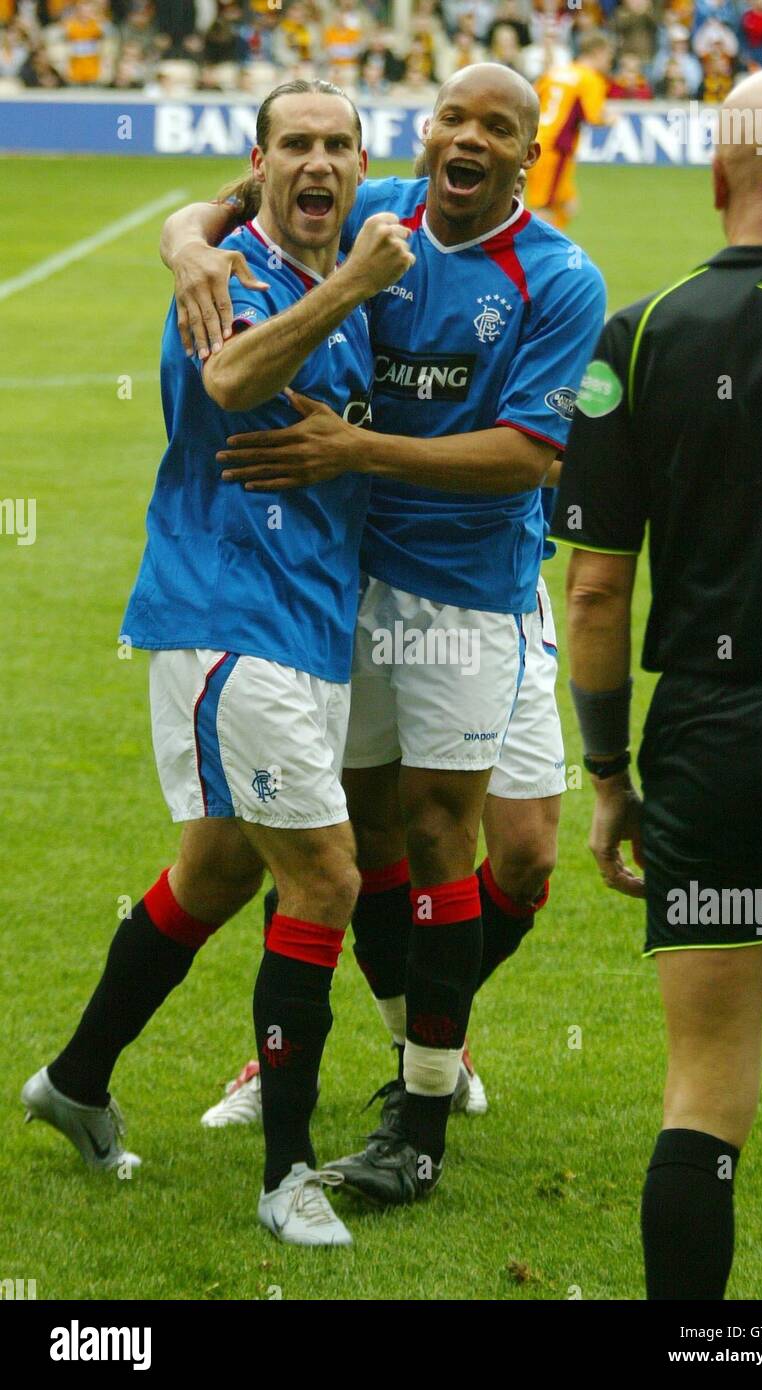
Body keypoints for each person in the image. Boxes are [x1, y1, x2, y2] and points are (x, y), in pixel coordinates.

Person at [160, 62, 606, 1206]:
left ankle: (423, 1063)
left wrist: (355, 451)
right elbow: (240, 199)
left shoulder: (560, 277)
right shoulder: (375, 210)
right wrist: (186, 243)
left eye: (495, 126)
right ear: (424, 132)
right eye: (451, 117)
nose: (467, 138)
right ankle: (413, 1083)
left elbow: (528, 458)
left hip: (476, 593)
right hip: (350, 584)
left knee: (504, 853)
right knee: (357, 843)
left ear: (526, 152)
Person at [21, 79, 415, 1250]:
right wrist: (316, 272)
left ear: (361, 164)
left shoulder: (343, 243)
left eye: (337, 145)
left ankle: (74, 1081)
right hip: (226, 617)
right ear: (259, 161)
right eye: (295, 143)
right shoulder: (230, 274)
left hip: (308, 619)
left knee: (218, 870)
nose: (317, 163)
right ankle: (286, 1174)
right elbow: (232, 381)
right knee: (327, 878)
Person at [551, 68, 762, 1298]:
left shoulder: (636, 335)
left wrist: (607, 772)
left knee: (706, 1082)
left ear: (715, 175)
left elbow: (594, 591)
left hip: (710, 740)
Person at [526, 32, 614, 230]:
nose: (610, 63)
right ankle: (528, 246)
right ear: (597, 52)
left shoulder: (556, 73)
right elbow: (594, 116)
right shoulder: (590, 79)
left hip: (537, 142)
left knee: (568, 205)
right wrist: (610, 118)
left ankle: (550, 243)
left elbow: (531, 98)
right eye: (608, 56)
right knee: (544, 209)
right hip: (554, 149)